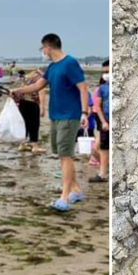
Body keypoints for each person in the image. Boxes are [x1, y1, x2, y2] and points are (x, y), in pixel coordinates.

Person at [11, 34, 88, 212]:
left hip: (70, 116)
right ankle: (75, 190)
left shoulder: (70, 63)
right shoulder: (52, 67)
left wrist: (84, 112)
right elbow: (38, 86)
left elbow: (83, 88)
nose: (42, 52)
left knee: (65, 155)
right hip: (56, 116)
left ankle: (64, 198)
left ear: (48, 46)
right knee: (61, 154)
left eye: (42, 48)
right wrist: (18, 91)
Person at [13, 69, 46, 154]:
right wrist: (43, 108)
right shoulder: (40, 79)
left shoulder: (25, 78)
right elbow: (41, 92)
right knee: (34, 125)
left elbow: (20, 91)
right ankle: (35, 146)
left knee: (24, 124)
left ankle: (22, 144)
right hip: (33, 104)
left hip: (22, 103)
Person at [90, 60, 110, 183]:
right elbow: (98, 106)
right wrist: (103, 122)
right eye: (104, 72)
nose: (106, 74)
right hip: (105, 120)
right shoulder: (102, 88)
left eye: (108, 71)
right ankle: (102, 174)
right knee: (103, 147)